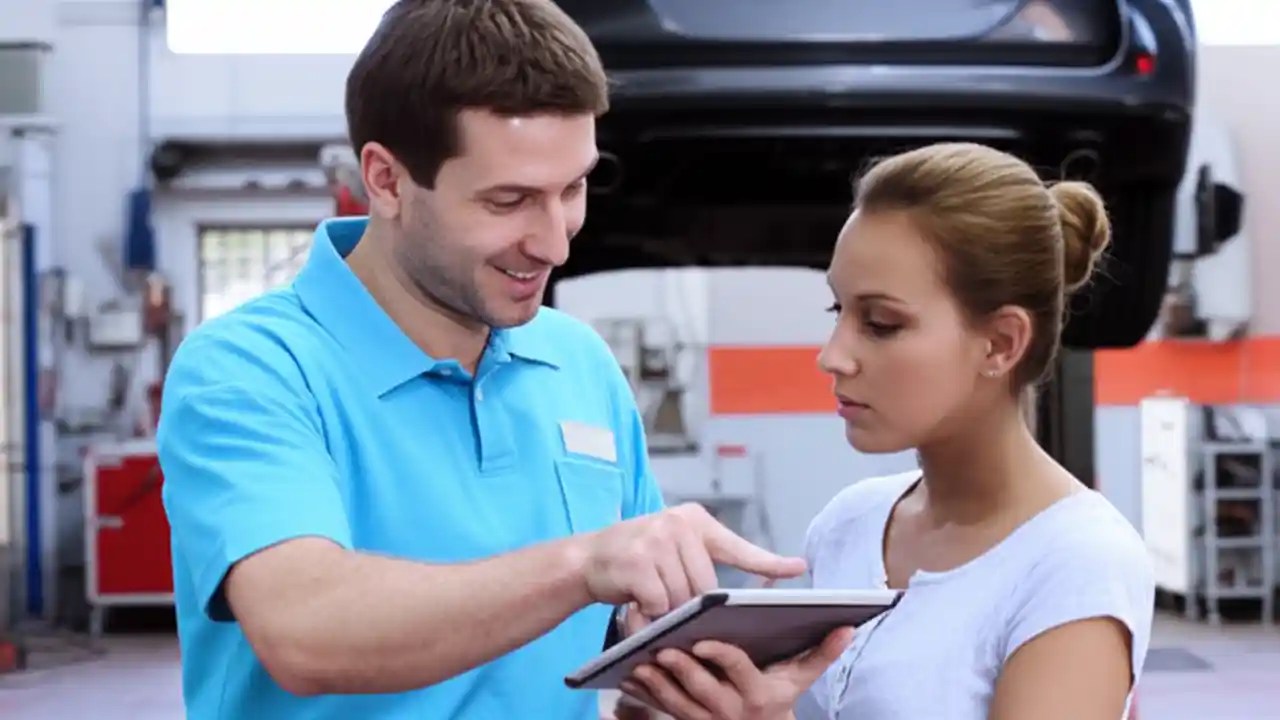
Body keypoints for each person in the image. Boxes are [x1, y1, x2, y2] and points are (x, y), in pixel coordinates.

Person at [155, 2, 818, 719]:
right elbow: (305, 632)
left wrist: (707, 698)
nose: (556, 243)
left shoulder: (578, 364)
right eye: (509, 201)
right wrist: (586, 564)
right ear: (386, 180)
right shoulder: (252, 370)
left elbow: (619, 653)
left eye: (573, 189)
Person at [616, 142, 1155, 720]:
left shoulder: (1076, 561)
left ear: (1000, 343)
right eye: (837, 313)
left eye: (880, 324)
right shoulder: (851, 523)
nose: (834, 355)